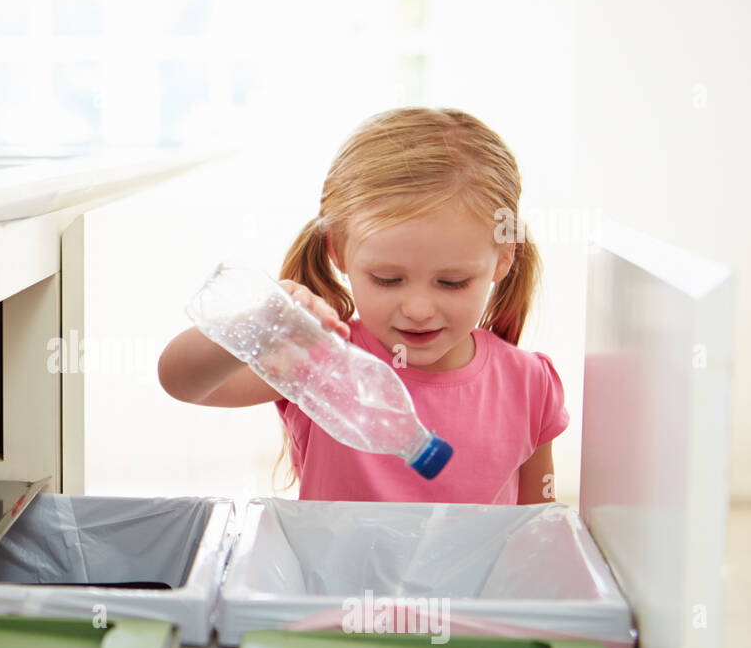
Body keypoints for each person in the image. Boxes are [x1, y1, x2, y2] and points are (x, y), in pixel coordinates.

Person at [158, 107, 570, 504]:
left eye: (452, 282)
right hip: (335, 579)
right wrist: (262, 321)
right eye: (387, 280)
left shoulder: (531, 385)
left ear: (503, 258)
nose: (419, 309)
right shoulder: (322, 362)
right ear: (337, 252)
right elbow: (182, 381)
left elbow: (539, 527)